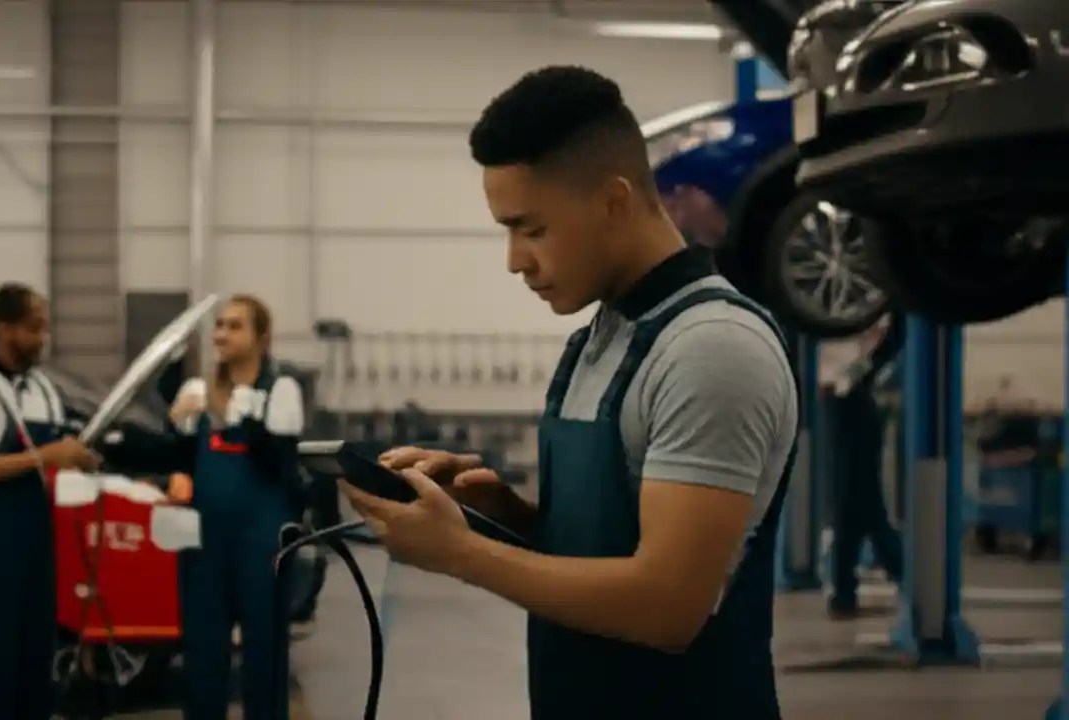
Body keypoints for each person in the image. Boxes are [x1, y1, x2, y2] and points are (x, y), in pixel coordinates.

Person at [340, 66, 799, 720]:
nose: (514, 260)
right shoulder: (600, 341)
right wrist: (501, 513)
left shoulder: (711, 348)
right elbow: (607, 548)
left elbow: (667, 605)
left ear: (614, 201)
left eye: (531, 229)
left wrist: (463, 554)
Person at [0, 282, 101, 719]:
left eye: (45, 328)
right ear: (5, 328)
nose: (43, 339)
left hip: (40, 533)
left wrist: (78, 458)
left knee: (36, 657)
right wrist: (46, 456)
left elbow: (55, 455)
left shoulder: (44, 390)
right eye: (35, 328)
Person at [167, 294, 305, 720]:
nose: (222, 334)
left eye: (234, 326)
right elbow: (183, 458)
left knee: (264, 656)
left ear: (262, 338)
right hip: (206, 545)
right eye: (220, 325)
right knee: (203, 656)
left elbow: (276, 462)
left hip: (261, 544)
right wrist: (176, 457)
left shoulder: (280, 389)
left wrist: (229, 414)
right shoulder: (197, 391)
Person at [826, 313, 904, 619]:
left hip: (851, 395)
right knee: (861, 504)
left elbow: (886, 338)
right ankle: (896, 572)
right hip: (849, 396)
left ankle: (847, 592)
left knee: (855, 502)